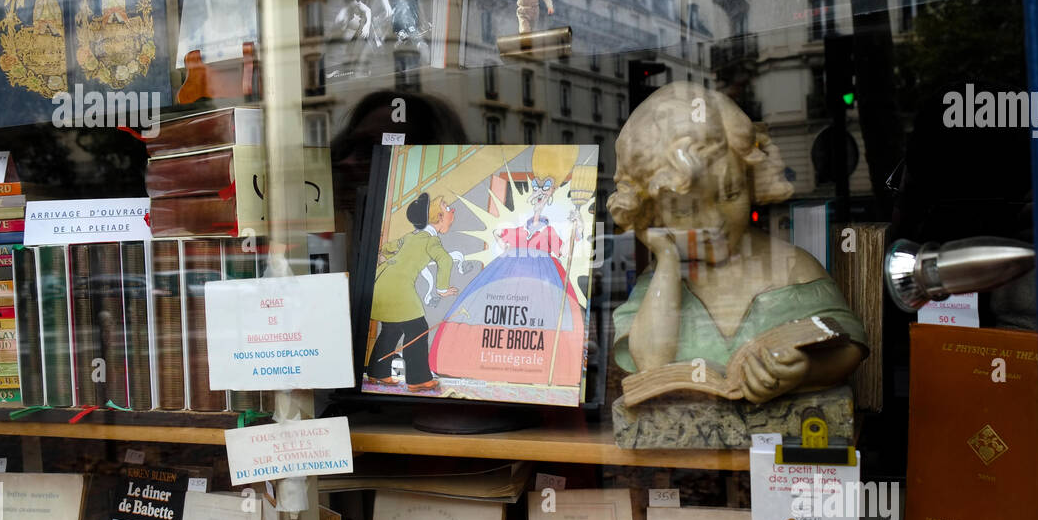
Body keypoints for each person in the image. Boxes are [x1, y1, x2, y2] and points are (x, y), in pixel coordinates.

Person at [608, 82, 867, 404]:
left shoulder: (790, 266)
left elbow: (851, 345)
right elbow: (650, 364)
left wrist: (805, 370)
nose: (715, 221)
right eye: (688, 209)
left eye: (731, 194)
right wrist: (666, 258)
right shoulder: (660, 287)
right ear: (654, 213)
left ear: (751, 180)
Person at [428, 156, 585, 388]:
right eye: (537, 195)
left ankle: (528, 370)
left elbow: (564, 250)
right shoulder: (519, 229)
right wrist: (508, 252)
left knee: (534, 323)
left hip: (541, 282)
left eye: (544, 196)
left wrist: (579, 225)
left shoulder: (550, 230)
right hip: (508, 277)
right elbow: (500, 238)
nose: (539, 200)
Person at [366, 193, 457, 391]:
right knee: (418, 329)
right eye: (447, 208)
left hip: (382, 283)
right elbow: (446, 260)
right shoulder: (430, 240)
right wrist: (441, 289)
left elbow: (389, 247)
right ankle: (418, 380)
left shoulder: (411, 236)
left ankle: (377, 372)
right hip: (399, 289)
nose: (452, 211)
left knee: (392, 329)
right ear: (438, 218)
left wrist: (383, 256)